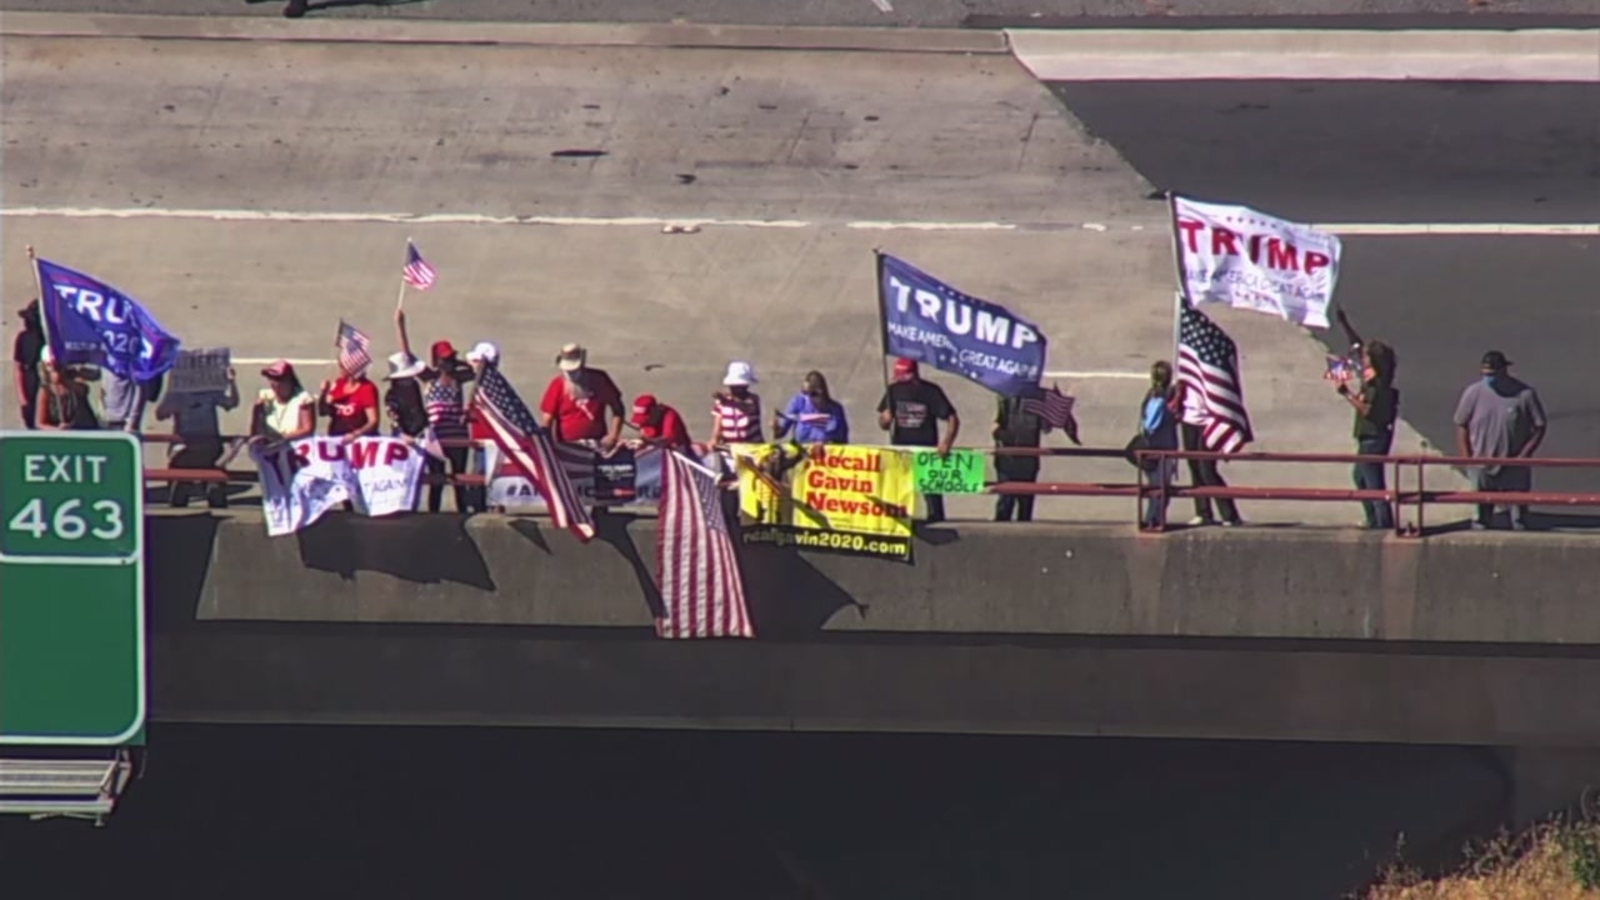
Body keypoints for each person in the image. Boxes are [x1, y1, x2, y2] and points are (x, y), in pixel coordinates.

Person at [1454, 350, 1546, 531]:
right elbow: (1461, 425)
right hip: (1481, 465)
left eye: (1493, 374)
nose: (1489, 378)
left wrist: (1524, 455)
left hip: (1513, 466)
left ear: (1504, 370)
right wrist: (1468, 459)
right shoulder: (1473, 393)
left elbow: (1539, 426)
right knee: (1480, 518)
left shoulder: (1524, 395)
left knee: (1519, 520)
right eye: (1486, 374)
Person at [1333, 310, 1398, 530]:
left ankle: (1382, 523)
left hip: (1373, 438)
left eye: (1368, 357)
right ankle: (1375, 520)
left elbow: (1367, 411)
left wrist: (1347, 394)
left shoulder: (1376, 386)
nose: (1364, 359)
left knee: (1372, 483)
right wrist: (1345, 324)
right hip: (1369, 437)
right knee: (1361, 478)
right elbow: (1357, 345)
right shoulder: (1376, 378)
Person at [877, 358, 959, 524]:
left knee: (932, 495)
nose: (898, 379)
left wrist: (946, 442)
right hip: (902, 452)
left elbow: (952, 418)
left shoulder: (931, 392)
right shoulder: (893, 390)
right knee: (898, 491)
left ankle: (937, 524)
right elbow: (883, 424)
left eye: (902, 375)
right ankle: (899, 523)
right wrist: (885, 420)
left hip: (926, 452)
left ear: (913, 374)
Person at [154, 366, 241, 508]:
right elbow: (160, 414)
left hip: (209, 447)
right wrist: (171, 393)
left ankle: (213, 492)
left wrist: (232, 382)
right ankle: (180, 499)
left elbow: (232, 403)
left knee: (215, 487)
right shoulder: (177, 395)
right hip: (184, 449)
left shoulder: (210, 392)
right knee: (179, 491)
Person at [992, 392, 1080, 523]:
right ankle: (999, 536)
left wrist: (1058, 414)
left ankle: (1023, 537)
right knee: (1005, 502)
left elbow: (1046, 426)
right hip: (1007, 458)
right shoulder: (1004, 398)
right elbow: (996, 425)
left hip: (1028, 459)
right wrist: (999, 433)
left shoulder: (1038, 400)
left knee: (1025, 504)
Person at [1178, 364, 1243, 528]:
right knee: (1194, 467)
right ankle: (1203, 512)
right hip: (1189, 419)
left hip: (1208, 423)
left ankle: (1230, 514)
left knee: (1207, 469)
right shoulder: (1186, 367)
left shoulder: (1208, 369)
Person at [539, 343, 624, 450]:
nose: (571, 374)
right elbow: (547, 420)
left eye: (574, 370)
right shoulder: (557, 385)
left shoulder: (599, 380)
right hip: (567, 445)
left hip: (597, 441)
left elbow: (617, 407)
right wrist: (549, 445)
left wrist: (613, 436)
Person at [1139, 361, 1180, 531]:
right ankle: (1154, 520)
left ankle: (1151, 518)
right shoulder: (1167, 398)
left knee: (1153, 487)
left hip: (1148, 448)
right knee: (1162, 488)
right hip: (1164, 449)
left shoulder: (1150, 396)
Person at [249, 360, 316, 445]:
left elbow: (307, 430)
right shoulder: (265, 398)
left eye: (278, 379)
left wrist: (282, 439)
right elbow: (255, 434)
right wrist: (257, 412)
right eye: (270, 378)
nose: (273, 383)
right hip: (270, 450)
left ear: (289, 380)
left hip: (295, 449)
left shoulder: (303, 399)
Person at [773, 370, 849, 445]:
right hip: (802, 452)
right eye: (807, 394)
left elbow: (843, 441)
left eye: (814, 394)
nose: (810, 397)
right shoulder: (798, 402)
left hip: (825, 453)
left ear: (822, 392)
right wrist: (775, 428)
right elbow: (780, 434)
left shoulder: (836, 410)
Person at [33, 347, 100, 431]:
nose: (55, 368)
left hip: (83, 430)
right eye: (50, 365)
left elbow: (83, 390)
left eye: (57, 365)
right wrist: (57, 430)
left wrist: (65, 381)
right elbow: (40, 423)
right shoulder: (45, 390)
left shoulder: (74, 378)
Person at [318, 356, 380, 443]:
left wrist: (356, 434)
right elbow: (324, 411)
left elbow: (373, 421)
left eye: (342, 366)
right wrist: (324, 393)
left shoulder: (367, 389)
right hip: (337, 437)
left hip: (359, 441)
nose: (339, 368)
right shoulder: (339, 383)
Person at [709, 361, 763, 447]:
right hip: (728, 447)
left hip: (751, 448)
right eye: (734, 386)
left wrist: (730, 401)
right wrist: (714, 439)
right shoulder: (722, 403)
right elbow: (717, 427)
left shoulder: (753, 400)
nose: (738, 389)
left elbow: (746, 408)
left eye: (741, 386)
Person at [12, 299, 44, 430]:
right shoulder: (23, 338)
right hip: (30, 383)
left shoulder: (51, 338)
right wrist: (22, 399)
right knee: (31, 423)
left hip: (46, 384)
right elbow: (18, 368)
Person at [101, 368, 148, 433]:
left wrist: (131, 422)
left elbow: (139, 393)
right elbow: (98, 375)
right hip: (106, 420)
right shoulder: (105, 362)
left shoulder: (129, 364)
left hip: (124, 423)